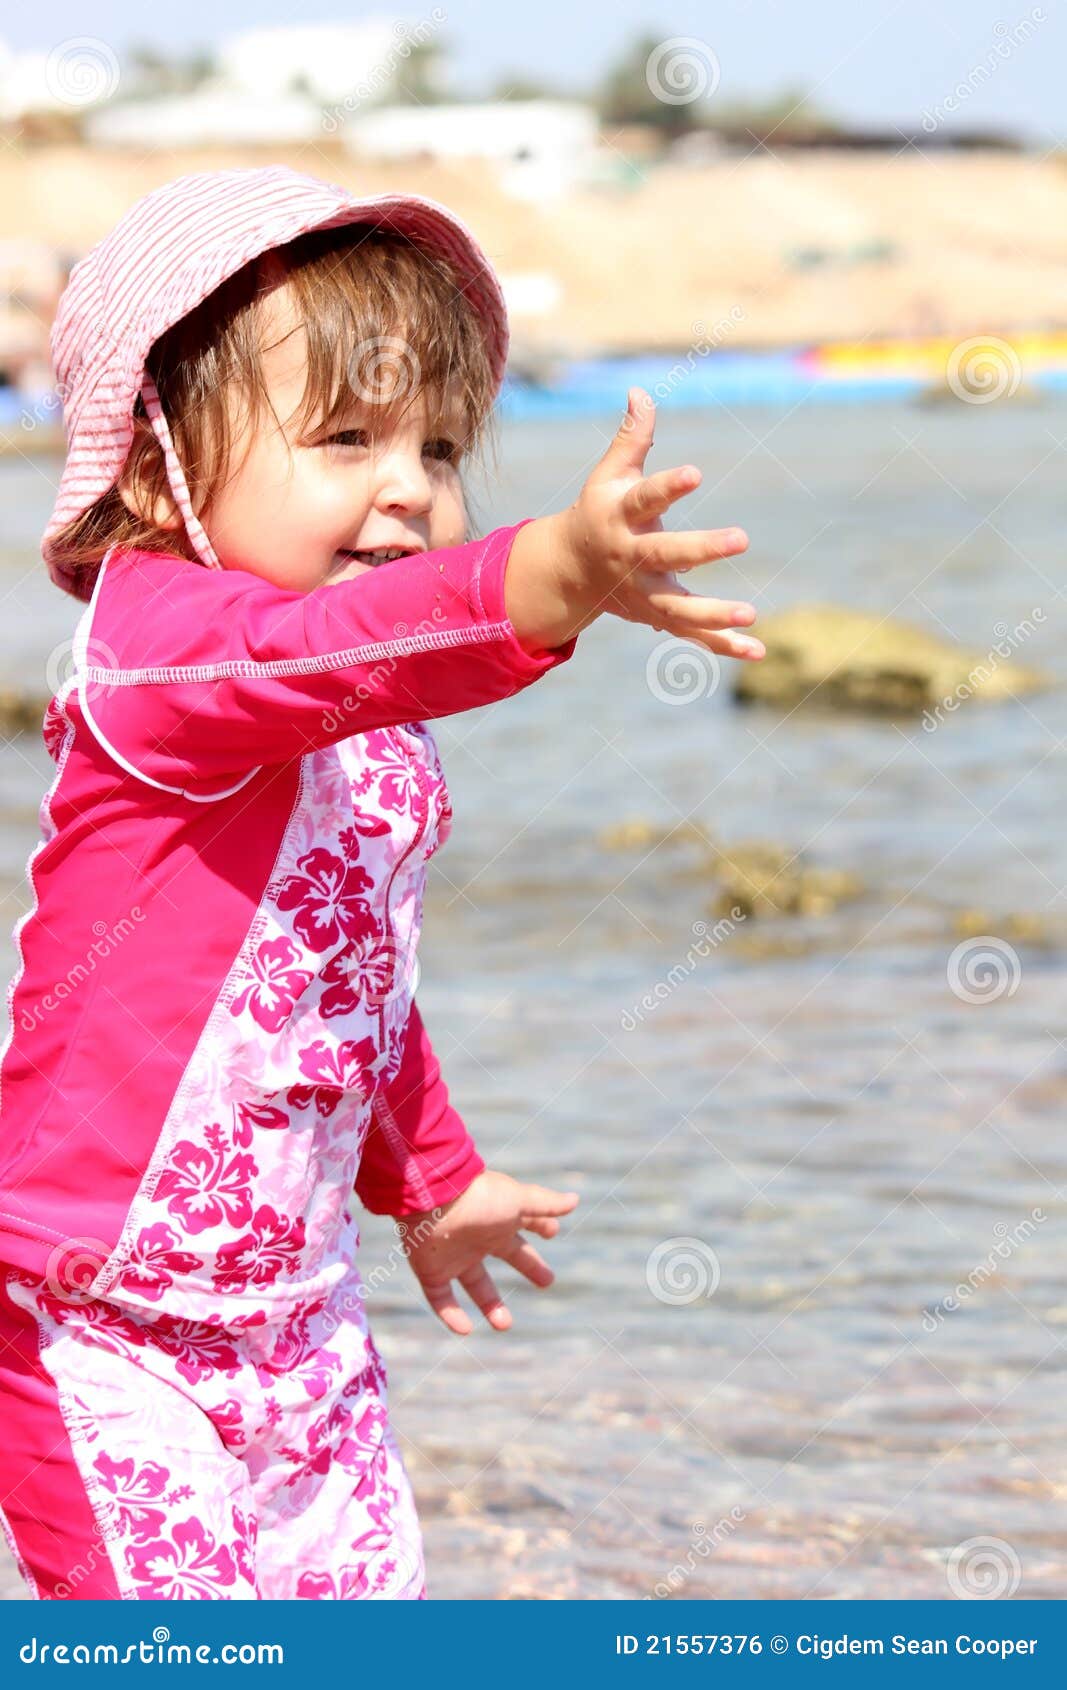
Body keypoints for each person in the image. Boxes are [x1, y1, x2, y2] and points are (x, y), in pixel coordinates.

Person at [0, 165, 763, 1601]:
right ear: (161, 468)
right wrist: (546, 569)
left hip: (304, 1321)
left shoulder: (373, 738)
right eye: (345, 436)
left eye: (437, 445)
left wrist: (433, 1175)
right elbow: (351, 640)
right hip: (96, 1319)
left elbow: (351, 984)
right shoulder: (160, 648)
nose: (408, 486)